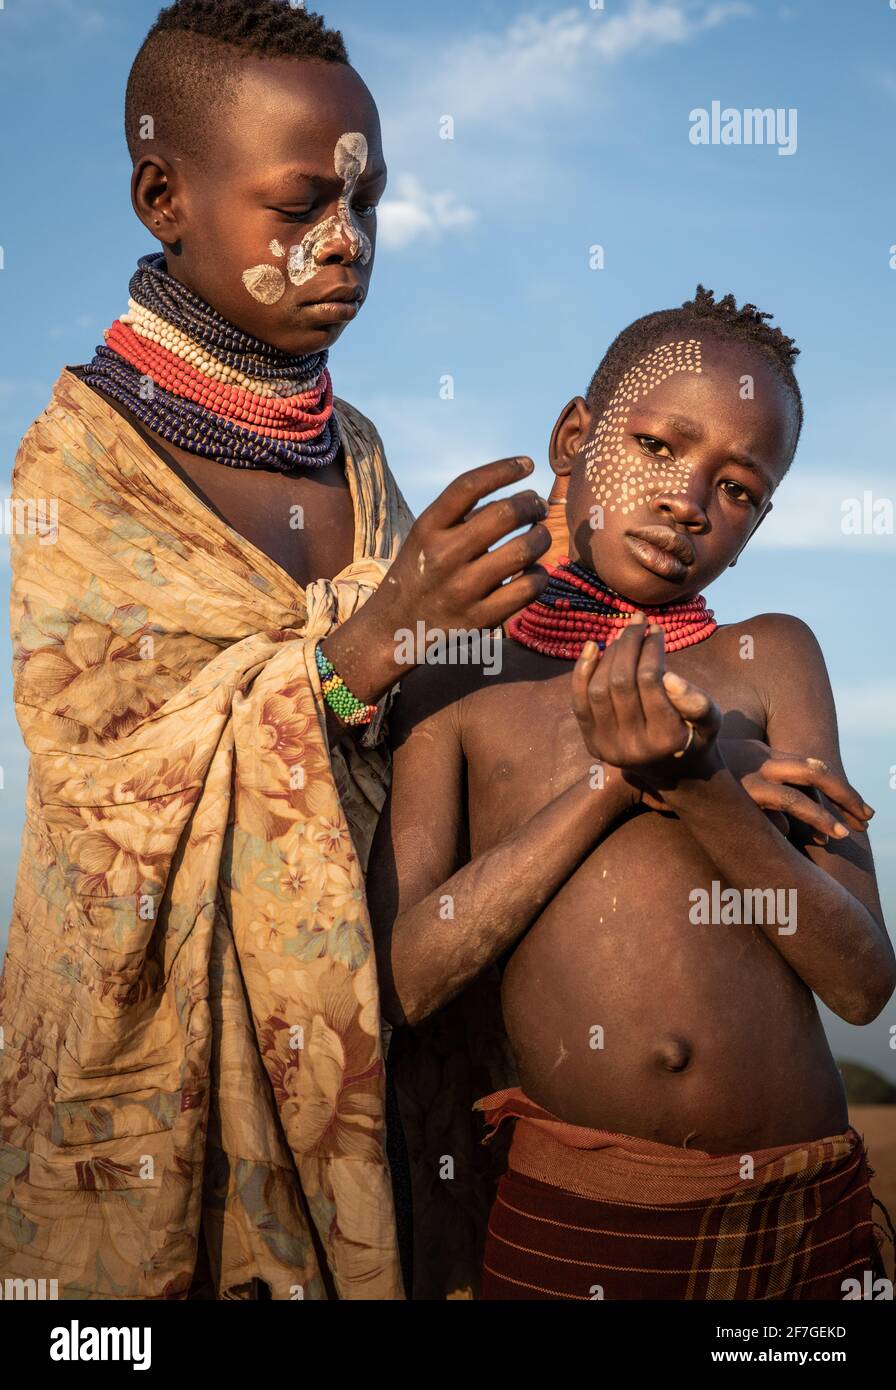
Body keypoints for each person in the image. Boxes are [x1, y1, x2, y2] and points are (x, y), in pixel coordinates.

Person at [0, 0, 554, 1300]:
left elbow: (432, 715)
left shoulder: (354, 450)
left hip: (373, 1026)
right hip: (155, 1077)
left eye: (368, 205)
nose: (345, 243)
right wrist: (364, 640)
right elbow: (99, 792)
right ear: (163, 196)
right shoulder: (75, 465)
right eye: (300, 207)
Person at [368, 287, 896, 1300]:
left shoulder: (768, 659)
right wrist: (612, 783)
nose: (688, 502)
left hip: (800, 1208)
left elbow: (862, 979)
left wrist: (698, 787)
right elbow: (405, 981)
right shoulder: (461, 679)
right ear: (575, 435)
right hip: (576, 1222)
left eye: (737, 489)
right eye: (657, 446)